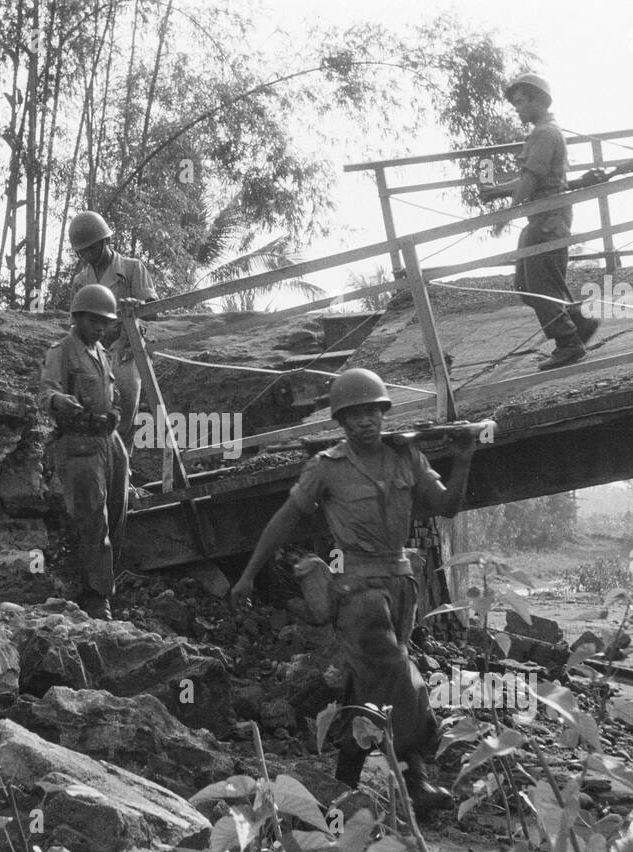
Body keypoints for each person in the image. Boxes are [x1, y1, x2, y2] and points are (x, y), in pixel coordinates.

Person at [228, 368, 478, 810]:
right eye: (354, 415)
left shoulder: (407, 458)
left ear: (383, 414)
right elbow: (283, 520)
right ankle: (415, 774)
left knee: (371, 685)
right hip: (358, 590)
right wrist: (248, 574)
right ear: (341, 422)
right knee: (401, 673)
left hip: (401, 585)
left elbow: (449, 506)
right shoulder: (327, 468)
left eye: (372, 412)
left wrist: (463, 457)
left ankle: (343, 778)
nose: (365, 422)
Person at [479, 74, 600, 370]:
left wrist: (505, 215)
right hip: (545, 217)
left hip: (548, 220)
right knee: (526, 283)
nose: (517, 109)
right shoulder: (544, 132)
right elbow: (533, 178)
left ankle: (568, 343)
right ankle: (577, 323)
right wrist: (497, 191)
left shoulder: (545, 134)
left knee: (540, 285)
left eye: (520, 102)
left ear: (538, 100)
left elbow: (532, 178)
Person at [39, 284, 130, 621]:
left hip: (109, 441)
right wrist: (57, 400)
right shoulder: (61, 352)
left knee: (118, 510)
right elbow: (46, 391)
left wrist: (115, 410)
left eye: (105, 323)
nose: (101, 328)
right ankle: (96, 597)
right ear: (77, 318)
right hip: (79, 444)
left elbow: (112, 392)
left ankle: (106, 581)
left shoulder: (102, 353)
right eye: (94, 321)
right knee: (93, 520)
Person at [69, 211, 159, 451]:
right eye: (83, 251)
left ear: (105, 241)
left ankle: (122, 477)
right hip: (95, 356)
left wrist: (137, 306)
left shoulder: (131, 269)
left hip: (127, 352)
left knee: (125, 417)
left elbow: (153, 311)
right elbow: (76, 323)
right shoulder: (80, 281)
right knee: (94, 417)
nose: (88, 255)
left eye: (92, 248)